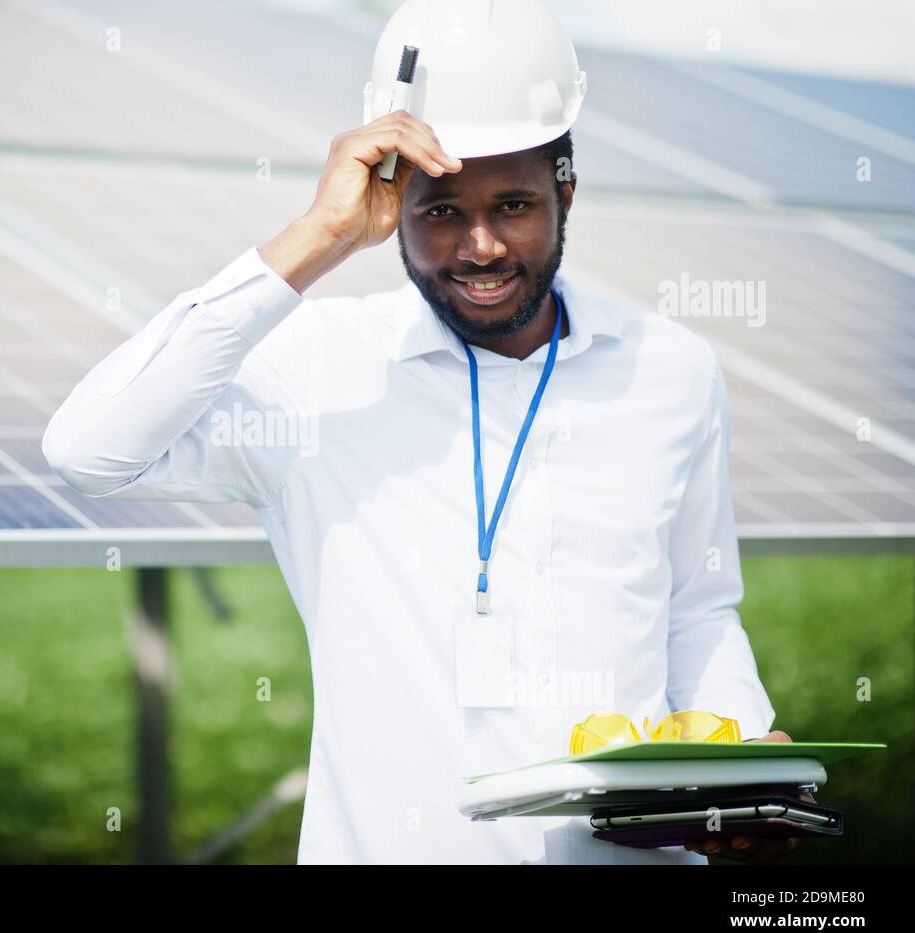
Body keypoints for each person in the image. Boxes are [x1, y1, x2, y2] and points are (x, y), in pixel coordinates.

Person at [43, 0, 794, 864]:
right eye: (439, 211)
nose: (479, 247)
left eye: (514, 203)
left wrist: (740, 748)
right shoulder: (315, 372)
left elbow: (696, 607)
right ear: (390, 205)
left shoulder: (672, 370)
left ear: (567, 193)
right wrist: (318, 236)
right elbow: (89, 447)